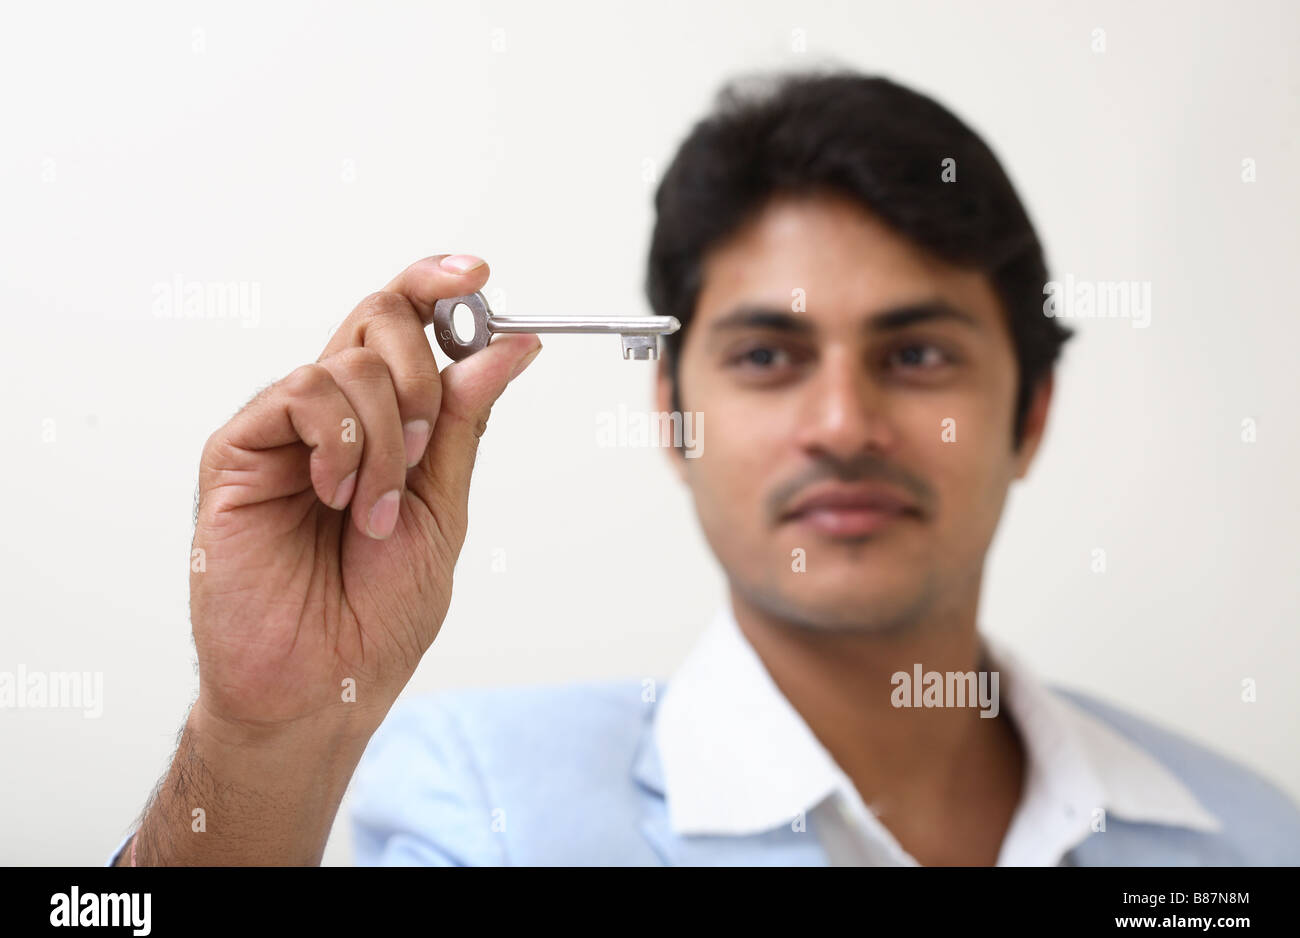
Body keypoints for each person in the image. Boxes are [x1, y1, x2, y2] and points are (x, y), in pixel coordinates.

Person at [106, 69, 1300, 867]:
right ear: (672, 413)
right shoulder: (483, 815)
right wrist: (264, 739)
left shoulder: (1248, 842)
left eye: (918, 351)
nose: (843, 420)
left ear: (1029, 413)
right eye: (769, 352)